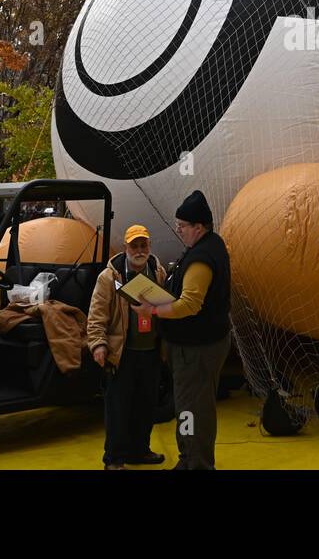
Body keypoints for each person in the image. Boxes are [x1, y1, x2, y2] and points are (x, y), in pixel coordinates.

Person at [132, 190, 231, 471]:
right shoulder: (209, 246)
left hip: (196, 348)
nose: (178, 230)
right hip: (199, 345)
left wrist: (152, 310)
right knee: (192, 405)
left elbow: (190, 304)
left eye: (183, 226)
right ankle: (190, 459)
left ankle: (195, 463)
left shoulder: (201, 258)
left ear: (199, 227)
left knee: (192, 409)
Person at [87, 224, 168, 469]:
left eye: (144, 245)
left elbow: (165, 308)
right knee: (118, 410)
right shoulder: (109, 277)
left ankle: (140, 450)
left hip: (151, 352)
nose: (140, 250)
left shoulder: (158, 271)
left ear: (149, 247)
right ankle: (114, 459)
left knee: (146, 406)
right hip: (122, 354)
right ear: (126, 247)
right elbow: (96, 315)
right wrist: (98, 344)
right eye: (135, 245)